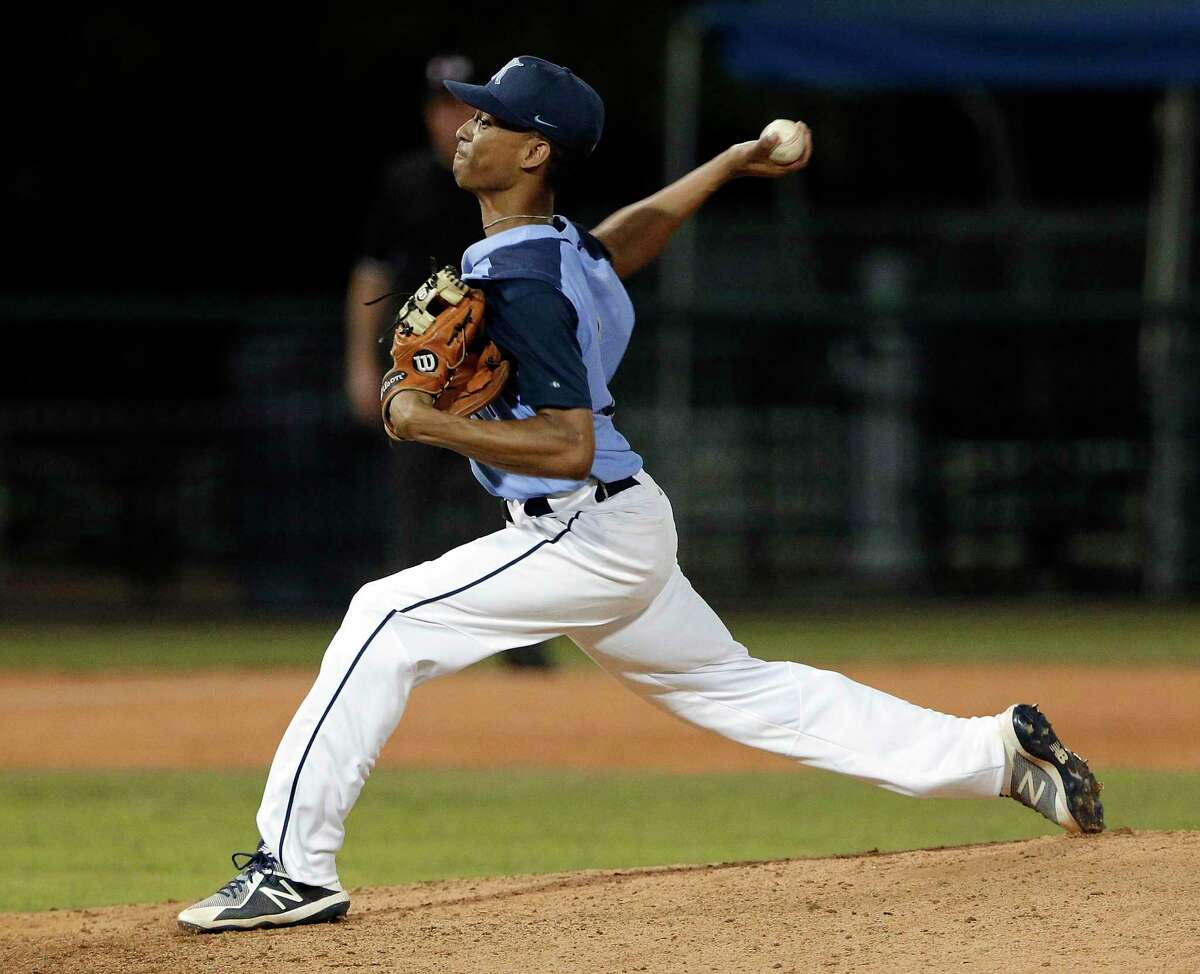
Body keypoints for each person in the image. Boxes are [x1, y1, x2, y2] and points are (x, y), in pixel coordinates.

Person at [178, 56, 1104, 933]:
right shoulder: (550, 245)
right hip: (622, 524)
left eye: (488, 119)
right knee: (742, 689)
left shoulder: (527, 277)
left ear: (533, 151)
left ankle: (291, 868)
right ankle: (997, 754)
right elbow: (628, 236)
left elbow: (568, 445)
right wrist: (727, 166)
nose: (464, 128)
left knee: (384, 617)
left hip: (581, 530)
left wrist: (426, 423)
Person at [344, 52, 553, 667]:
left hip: (499, 374)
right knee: (411, 513)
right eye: (442, 105)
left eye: (467, 106)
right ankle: (405, 643)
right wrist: (360, 364)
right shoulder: (404, 182)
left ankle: (524, 648)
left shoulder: (506, 180)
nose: (454, 117)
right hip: (419, 375)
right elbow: (370, 272)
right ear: (427, 114)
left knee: (517, 508)